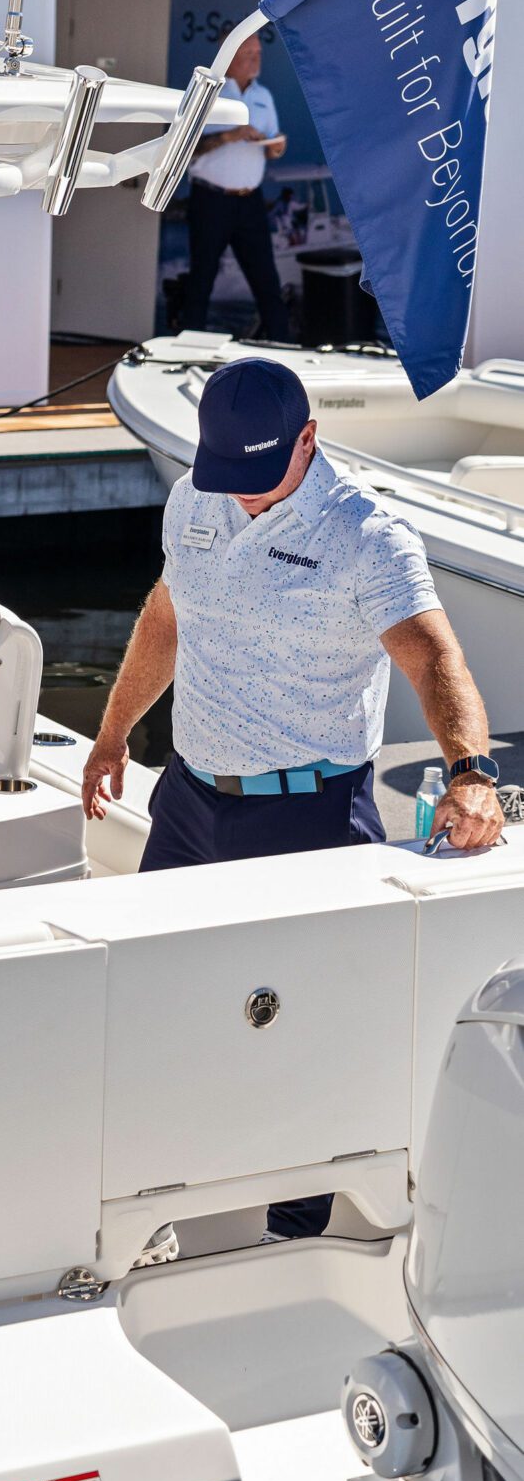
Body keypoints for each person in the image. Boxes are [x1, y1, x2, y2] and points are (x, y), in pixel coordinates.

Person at [82, 356, 503, 1246]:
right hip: (188, 799)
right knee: (153, 1004)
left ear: (308, 439)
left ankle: (293, 1234)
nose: (238, 493)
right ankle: (150, 1203)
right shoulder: (195, 498)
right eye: (224, 472)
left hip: (306, 814)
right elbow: (165, 618)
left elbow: (433, 657)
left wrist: (469, 771)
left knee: (296, 1030)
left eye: (258, 474)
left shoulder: (366, 534)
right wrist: (114, 730)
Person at [183, 31, 289, 339]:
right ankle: (186, 349)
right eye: (248, 54)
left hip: (250, 202)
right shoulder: (205, 94)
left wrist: (275, 147)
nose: (256, 60)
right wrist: (229, 136)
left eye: (258, 53)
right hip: (211, 200)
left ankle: (282, 351)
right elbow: (184, 149)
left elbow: (271, 145)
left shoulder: (264, 96)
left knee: (267, 282)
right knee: (201, 280)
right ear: (229, 57)